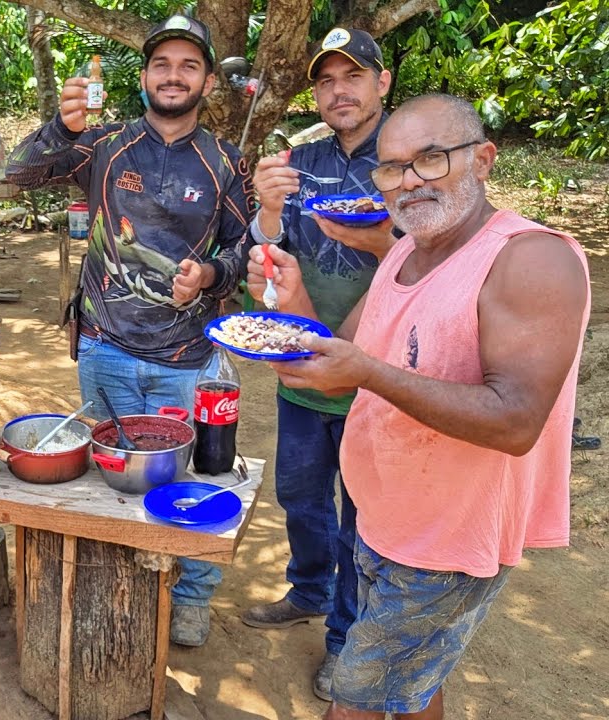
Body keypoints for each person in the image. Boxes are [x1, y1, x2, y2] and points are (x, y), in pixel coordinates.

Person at [248, 94, 589, 720]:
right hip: (386, 516)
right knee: (413, 686)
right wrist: (290, 296)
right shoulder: (405, 249)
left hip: (446, 542)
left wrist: (370, 374)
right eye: (391, 167)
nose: (407, 181)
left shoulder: (531, 259)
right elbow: (339, 358)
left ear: (483, 159)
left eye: (430, 160)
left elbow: (516, 422)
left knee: (354, 700)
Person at [6, 13, 253, 647]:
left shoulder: (226, 162)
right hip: (105, 348)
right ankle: (122, 591)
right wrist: (62, 126)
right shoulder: (105, 145)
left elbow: (244, 254)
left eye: (188, 66)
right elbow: (19, 173)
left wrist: (209, 275)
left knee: (195, 480)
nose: (174, 76)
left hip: (186, 356)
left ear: (205, 81)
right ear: (143, 77)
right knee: (107, 473)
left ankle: (192, 597)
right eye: (162, 65)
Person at [240, 27, 395, 700]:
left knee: (363, 516)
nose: (339, 91)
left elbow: (434, 267)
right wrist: (268, 210)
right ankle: (307, 589)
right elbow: (272, 250)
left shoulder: (406, 159)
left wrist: (383, 237)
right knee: (301, 494)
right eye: (327, 80)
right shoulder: (302, 160)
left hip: (376, 373)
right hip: (301, 359)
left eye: (353, 77)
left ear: (381, 83)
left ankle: (345, 637)